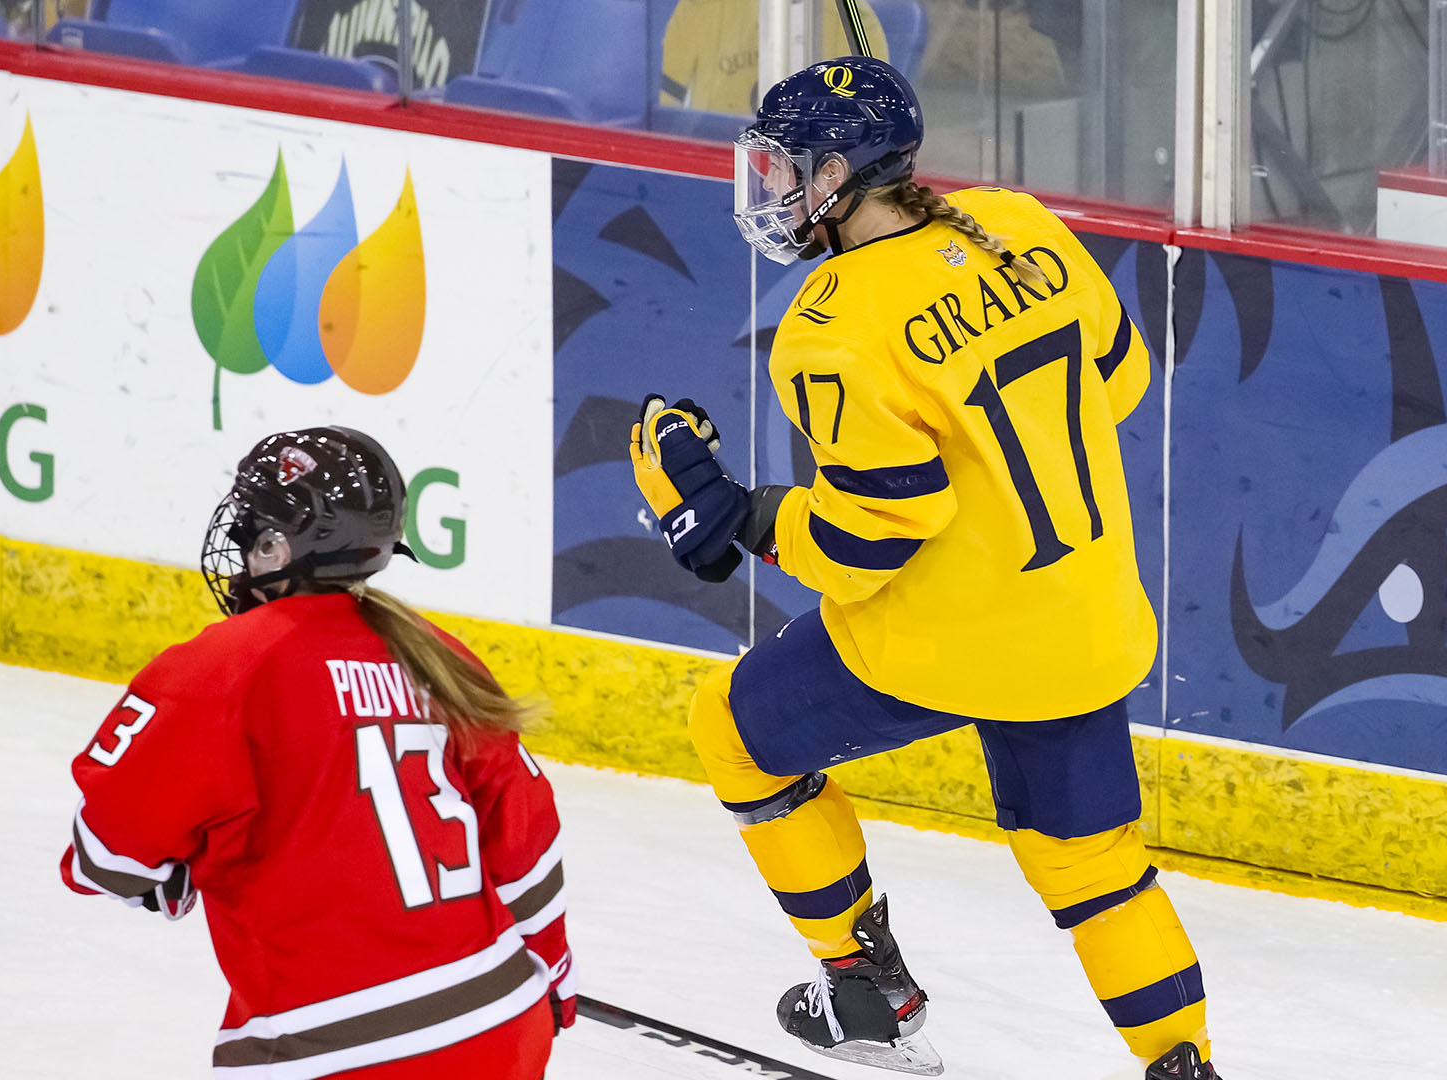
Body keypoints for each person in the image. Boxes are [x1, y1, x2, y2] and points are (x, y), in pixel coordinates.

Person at [629, 56, 1214, 1080]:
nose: (773, 190)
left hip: (947, 644)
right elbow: (1118, 381)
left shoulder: (829, 327)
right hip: (1082, 626)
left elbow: (867, 547)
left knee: (733, 732)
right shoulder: (1018, 226)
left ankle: (863, 988)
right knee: (1096, 873)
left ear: (837, 175)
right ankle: (1186, 1063)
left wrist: (742, 519)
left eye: (787, 169)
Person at [60, 426, 575, 1079]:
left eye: (252, 530)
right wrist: (554, 968)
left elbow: (105, 860)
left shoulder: (218, 670)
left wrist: (181, 869)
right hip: (504, 1024)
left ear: (279, 547)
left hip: (333, 1050)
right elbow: (526, 841)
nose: (241, 543)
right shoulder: (438, 656)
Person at [658, 0, 888, 114]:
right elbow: (661, 116)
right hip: (720, 163)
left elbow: (873, 139)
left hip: (815, 178)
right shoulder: (702, 7)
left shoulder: (855, 24)